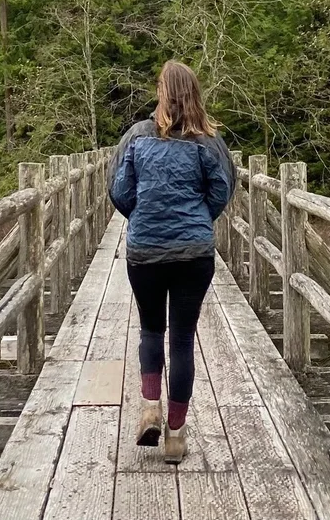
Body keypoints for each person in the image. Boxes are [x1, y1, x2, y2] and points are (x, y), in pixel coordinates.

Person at [107, 60, 236, 464]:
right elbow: (223, 190)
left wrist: (145, 216)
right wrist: (197, 219)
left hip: (145, 251)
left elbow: (119, 191)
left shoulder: (137, 137)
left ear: (163, 91)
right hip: (193, 254)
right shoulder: (209, 142)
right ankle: (176, 437)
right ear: (194, 93)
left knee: (149, 330)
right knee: (182, 340)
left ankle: (149, 409)